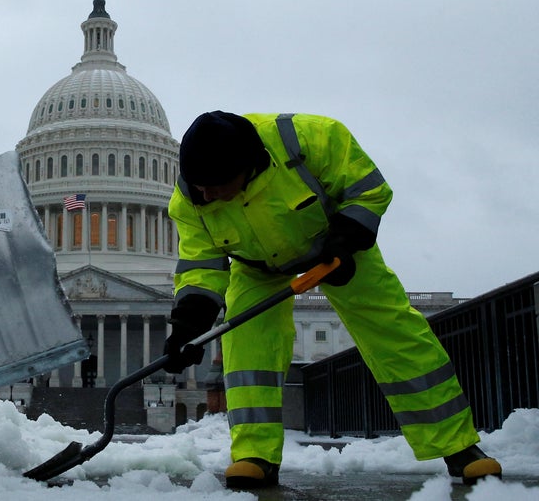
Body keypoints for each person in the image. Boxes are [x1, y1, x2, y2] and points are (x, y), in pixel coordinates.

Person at [162, 111, 502, 489]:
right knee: (247, 347)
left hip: (336, 246)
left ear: (246, 167)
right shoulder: (190, 197)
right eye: (199, 186)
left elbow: (369, 189)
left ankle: (459, 447)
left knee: (394, 332)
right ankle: (254, 455)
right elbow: (200, 265)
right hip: (256, 267)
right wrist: (189, 325)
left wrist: (347, 238)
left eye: (216, 185)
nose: (206, 195)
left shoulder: (313, 139)